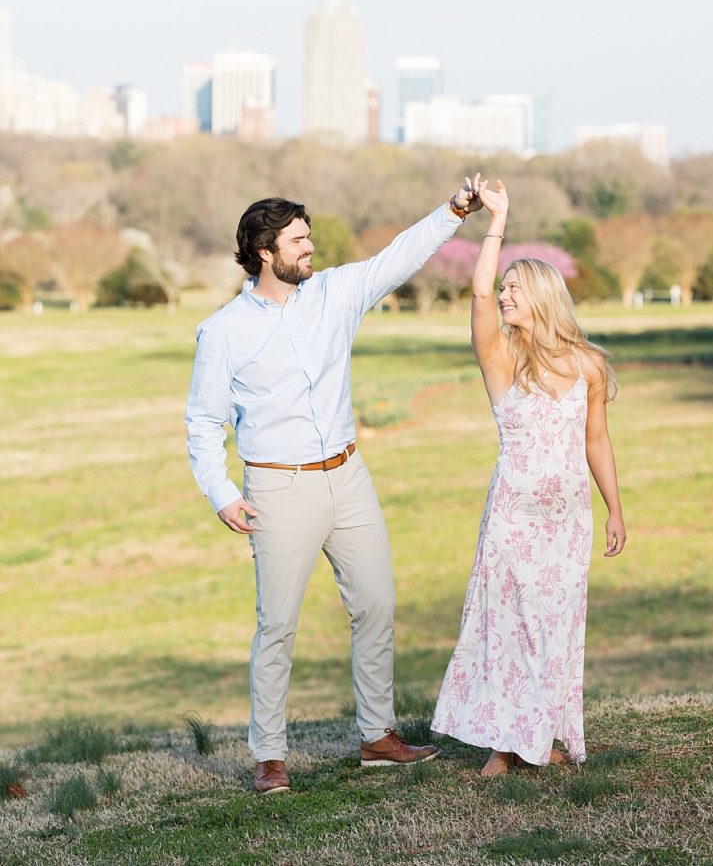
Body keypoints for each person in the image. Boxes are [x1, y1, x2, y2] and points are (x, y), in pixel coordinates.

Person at [185, 180, 483, 795]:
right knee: (278, 627)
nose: (310, 248)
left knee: (376, 603)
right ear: (265, 252)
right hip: (277, 489)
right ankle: (269, 756)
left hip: (348, 477)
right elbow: (204, 422)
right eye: (298, 240)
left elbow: (399, 256)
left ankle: (377, 735)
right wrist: (221, 494)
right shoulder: (223, 332)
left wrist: (454, 211)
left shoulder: (336, 293)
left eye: (310, 237)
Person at [430, 178, 626, 777]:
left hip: (567, 520)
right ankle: (503, 744)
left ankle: (550, 733)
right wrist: (497, 222)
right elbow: (480, 295)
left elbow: (596, 440)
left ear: (542, 296)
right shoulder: (502, 358)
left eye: (518, 288)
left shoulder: (589, 362)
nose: (506, 295)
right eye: (507, 286)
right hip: (512, 518)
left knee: (558, 625)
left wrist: (616, 509)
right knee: (507, 626)